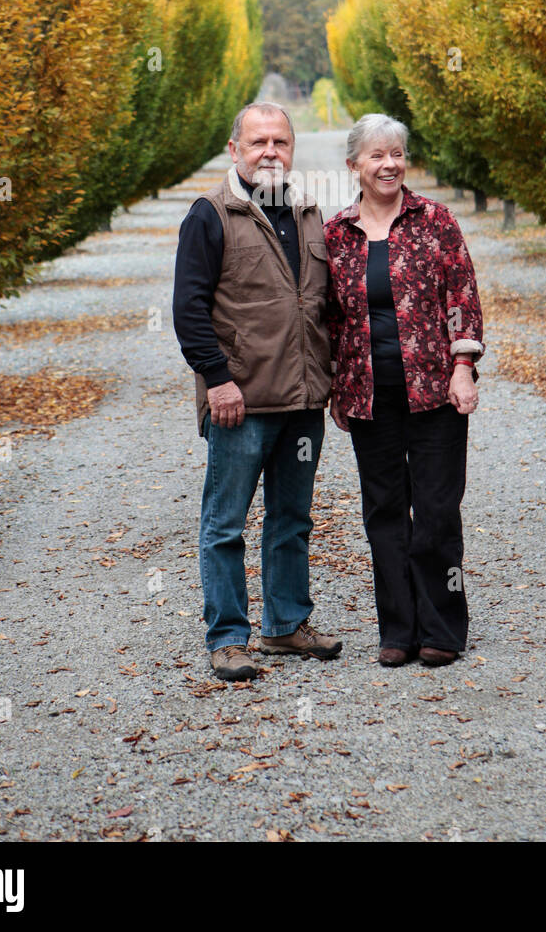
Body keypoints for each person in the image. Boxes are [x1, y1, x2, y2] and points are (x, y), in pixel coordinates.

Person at [172, 101, 342, 681]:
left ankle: (285, 626)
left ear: (292, 151)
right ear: (235, 150)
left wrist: (334, 380)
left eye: (280, 142)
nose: (270, 152)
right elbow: (188, 309)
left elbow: (325, 307)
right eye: (258, 142)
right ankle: (227, 637)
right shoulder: (210, 214)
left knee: (292, 519)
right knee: (225, 524)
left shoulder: (309, 212)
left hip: (302, 402)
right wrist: (217, 381)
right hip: (239, 403)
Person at [323, 113, 484, 667]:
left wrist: (463, 366)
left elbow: (461, 296)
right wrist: (332, 388)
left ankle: (441, 627)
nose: (389, 164)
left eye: (396, 154)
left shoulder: (436, 221)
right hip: (369, 394)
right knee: (384, 511)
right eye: (376, 155)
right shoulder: (335, 234)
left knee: (437, 509)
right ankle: (398, 630)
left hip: (436, 390)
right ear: (354, 166)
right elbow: (328, 318)